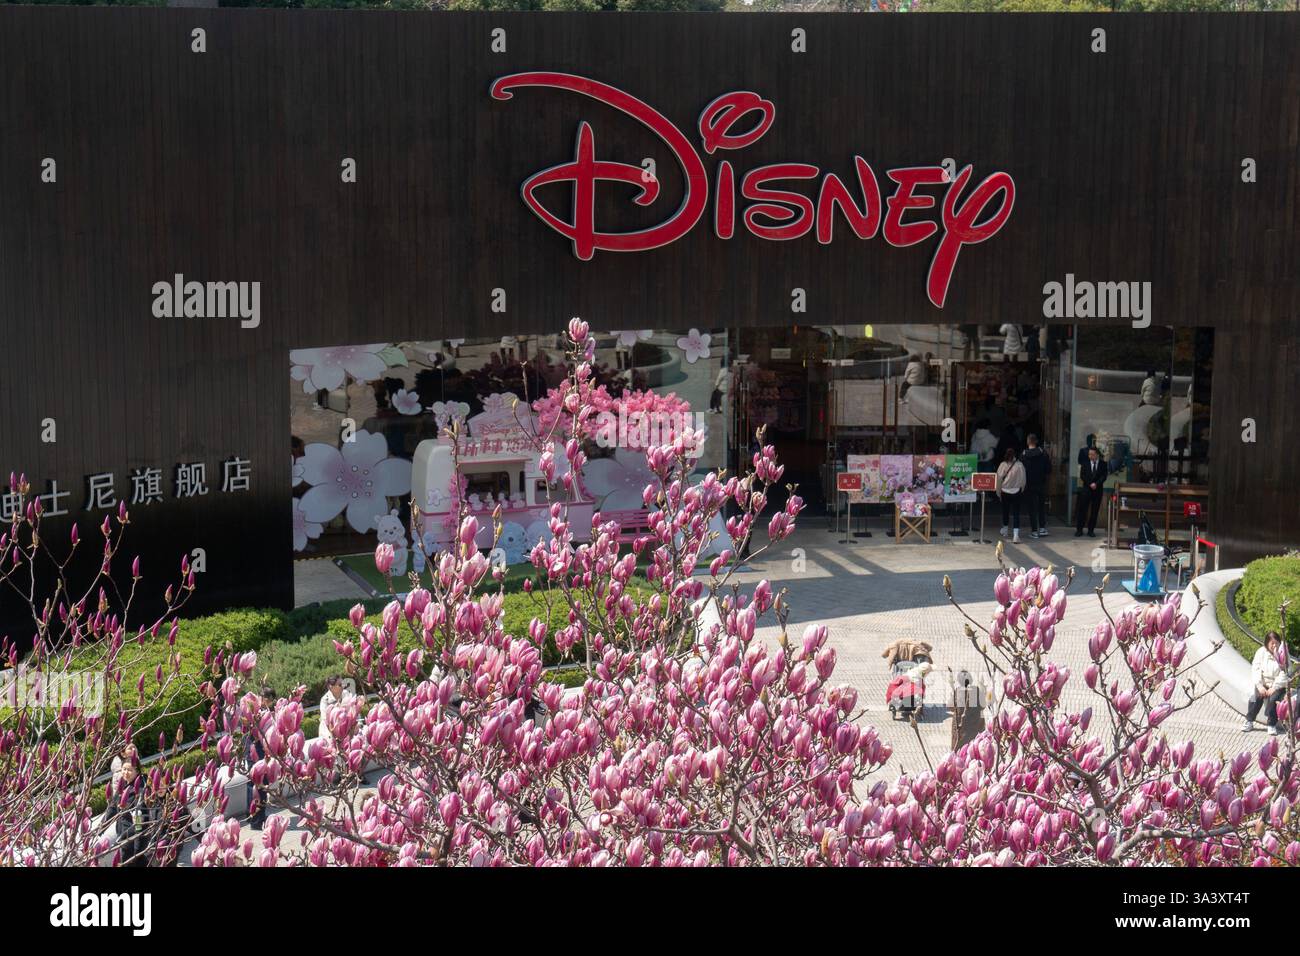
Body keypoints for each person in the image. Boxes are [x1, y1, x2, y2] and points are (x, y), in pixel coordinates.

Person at [1243, 632, 1289, 735]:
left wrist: (1274, 687)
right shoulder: (1261, 652)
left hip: (1277, 684)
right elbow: (1256, 668)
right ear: (1267, 644)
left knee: (1273, 699)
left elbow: (1286, 672)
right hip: (1263, 683)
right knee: (1256, 697)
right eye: (1272, 643)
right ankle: (1249, 720)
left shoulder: (1284, 653)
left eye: (1276, 643)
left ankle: (1271, 724)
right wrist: (1259, 686)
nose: (1274, 646)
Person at [246, 685, 276, 830]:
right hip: (256, 748)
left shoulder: (261, 711)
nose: (269, 703)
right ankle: (257, 820)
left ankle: (254, 817)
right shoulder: (257, 712)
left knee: (254, 783)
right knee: (259, 784)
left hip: (255, 747)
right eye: (268, 699)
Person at [1020, 434, 1051, 538]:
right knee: (1041, 506)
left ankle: (1034, 531)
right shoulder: (1043, 453)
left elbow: (1020, 471)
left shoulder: (1023, 455)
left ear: (1028, 442)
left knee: (1032, 508)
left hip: (1029, 484)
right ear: (1036, 441)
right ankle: (1042, 529)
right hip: (1041, 483)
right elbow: (1048, 469)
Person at [1075, 446, 1108, 537]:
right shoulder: (1085, 464)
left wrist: (1096, 484)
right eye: (1089, 454)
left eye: (1092, 454)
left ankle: (1091, 530)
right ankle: (1079, 530)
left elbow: (1104, 476)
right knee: (1082, 510)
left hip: (1097, 490)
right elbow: (1083, 475)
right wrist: (1090, 484)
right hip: (1086, 490)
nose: (1090, 456)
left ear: (1097, 455)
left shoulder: (1103, 464)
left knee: (1094, 511)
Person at [995, 447, 1026, 543]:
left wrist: (998, 491)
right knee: (1016, 513)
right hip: (1016, 491)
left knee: (1005, 511)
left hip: (1005, 491)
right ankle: (1016, 535)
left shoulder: (1002, 465)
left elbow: (999, 479)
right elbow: (1023, 479)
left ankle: (1005, 529)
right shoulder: (1020, 465)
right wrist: (1021, 489)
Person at [318, 675, 356, 741]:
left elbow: (352, 709)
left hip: (345, 728)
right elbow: (325, 718)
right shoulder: (325, 700)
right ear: (331, 687)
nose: (343, 686)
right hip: (328, 731)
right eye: (340, 684)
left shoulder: (346, 693)